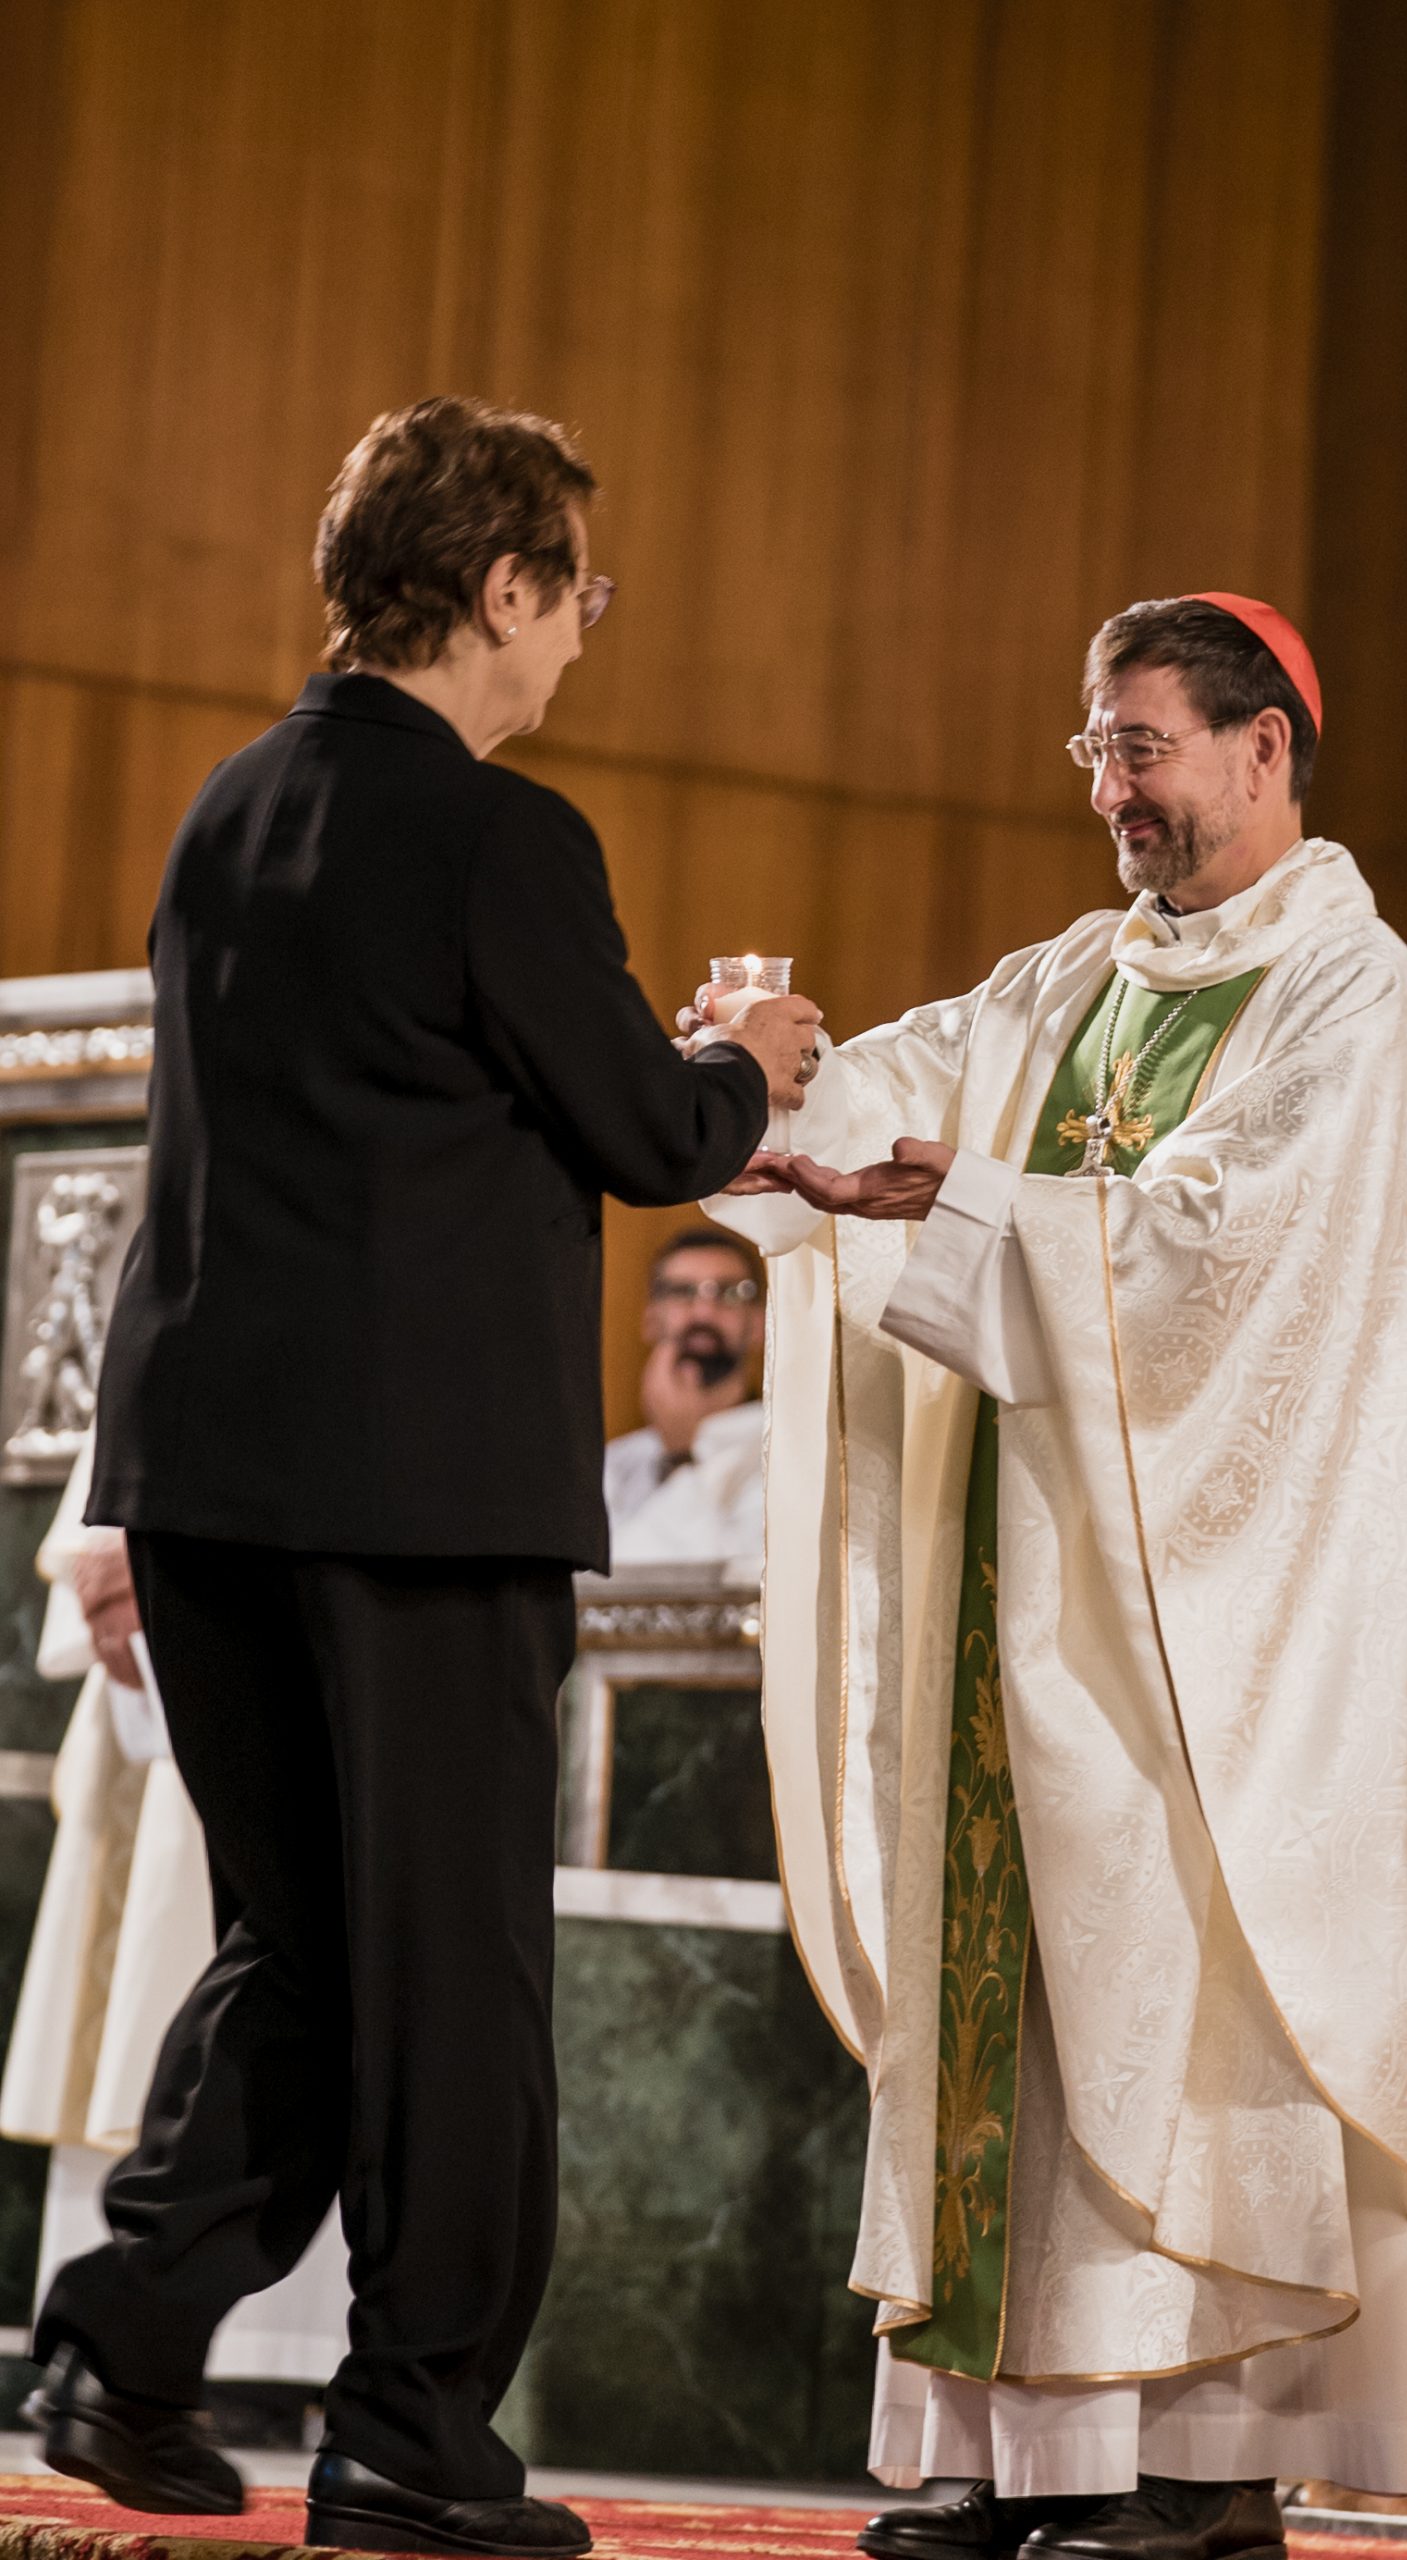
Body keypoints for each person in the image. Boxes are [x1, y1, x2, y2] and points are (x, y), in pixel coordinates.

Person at [29, 394, 821, 2558]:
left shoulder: (229, 808)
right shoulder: (495, 834)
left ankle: (119, 2338)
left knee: (302, 1944)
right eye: (573, 588)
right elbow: (651, 1136)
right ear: (498, 589)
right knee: (452, 1968)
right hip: (417, 1499)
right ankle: (412, 2432)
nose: (580, 634)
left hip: (202, 1477)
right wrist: (745, 1052)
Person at [704, 595, 1407, 2560]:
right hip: (1015, 1619)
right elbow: (885, 1100)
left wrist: (965, 1201)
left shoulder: (1348, 1000)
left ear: (1263, 750)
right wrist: (753, 1083)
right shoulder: (1065, 986)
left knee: (1180, 2010)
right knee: (1011, 2013)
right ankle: (1007, 2456)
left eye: (1143, 748)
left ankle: (1195, 2466)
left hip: (1217, 1637)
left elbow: (1219, 1269)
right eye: (1088, 752)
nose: (1110, 791)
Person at [1, 1442, 347, 2395]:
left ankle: (149, 2342)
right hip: (229, 1528)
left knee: (294, 1949)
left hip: (289, 1522)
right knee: (274, 1942)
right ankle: (136, 2334)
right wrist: (123, 1521)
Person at [603, 1228, 767, 1565]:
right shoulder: (612, 1466)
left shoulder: (786, 1454)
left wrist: (682, 1456)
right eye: (681, 1292)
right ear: (649, 1320)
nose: (704, 1313)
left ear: (759, 1324)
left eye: (730, 1293)